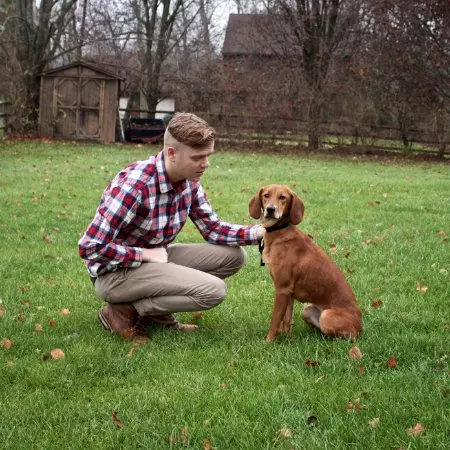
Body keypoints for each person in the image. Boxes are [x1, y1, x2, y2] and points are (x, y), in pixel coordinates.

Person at [78, 112, 264, 339]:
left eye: (208, 155)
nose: (206, 164)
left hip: (156, 258)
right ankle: (122, 311)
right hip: (114, 273)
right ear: (172, 153)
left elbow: (212, 228)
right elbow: (89, 247)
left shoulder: (189, 182)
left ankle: (156, 313)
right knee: (213, 291)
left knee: (234, 257)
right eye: (197, 157)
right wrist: (143, 255)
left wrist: (260, 233)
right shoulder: (136, 185)